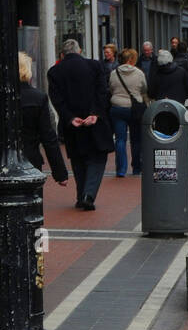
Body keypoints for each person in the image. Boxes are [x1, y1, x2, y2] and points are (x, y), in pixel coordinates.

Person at [47, 38, 113, 210]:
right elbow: (102, 91)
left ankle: (81, 194)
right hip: (94, 122)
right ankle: (88, 194)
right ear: (80, 50)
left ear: (62, 54)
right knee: (97, 158)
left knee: (78, 158)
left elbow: (56, 99)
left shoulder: (54, 72)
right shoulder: (95, 66)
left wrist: (69, 117)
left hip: (72, 124)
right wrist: (95, 113)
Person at [18, 51, 68, 187]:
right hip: (30, 160)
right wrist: (60, 173)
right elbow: (48, 136)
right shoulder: (37, 97)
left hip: (2, 164)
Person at [108, 47, 149, 179]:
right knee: (136, 139)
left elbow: (111, 87)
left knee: (120, 140)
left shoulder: (114, 73)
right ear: (132, 59)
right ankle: (136, 167)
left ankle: (121, 169)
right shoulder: (139, 73)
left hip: (117, 108)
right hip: (134, 109)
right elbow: (144, 89)